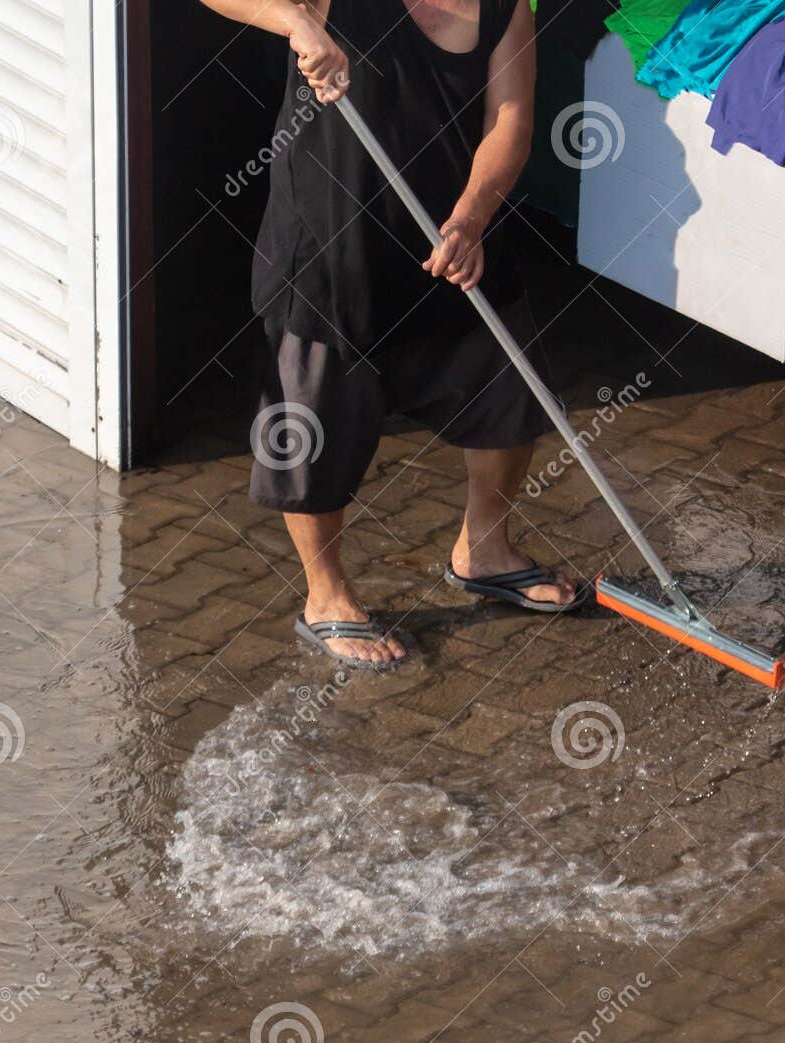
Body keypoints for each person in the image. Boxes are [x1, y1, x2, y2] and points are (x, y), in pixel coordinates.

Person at [199, 0, 586, 670]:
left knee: (507, 394)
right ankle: (326, 596)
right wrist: (298, 25)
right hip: (329, 242)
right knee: (313, 428)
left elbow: (510, 123)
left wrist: (470, 219)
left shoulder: (506, 11)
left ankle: (484, 550)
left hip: (448, 239)